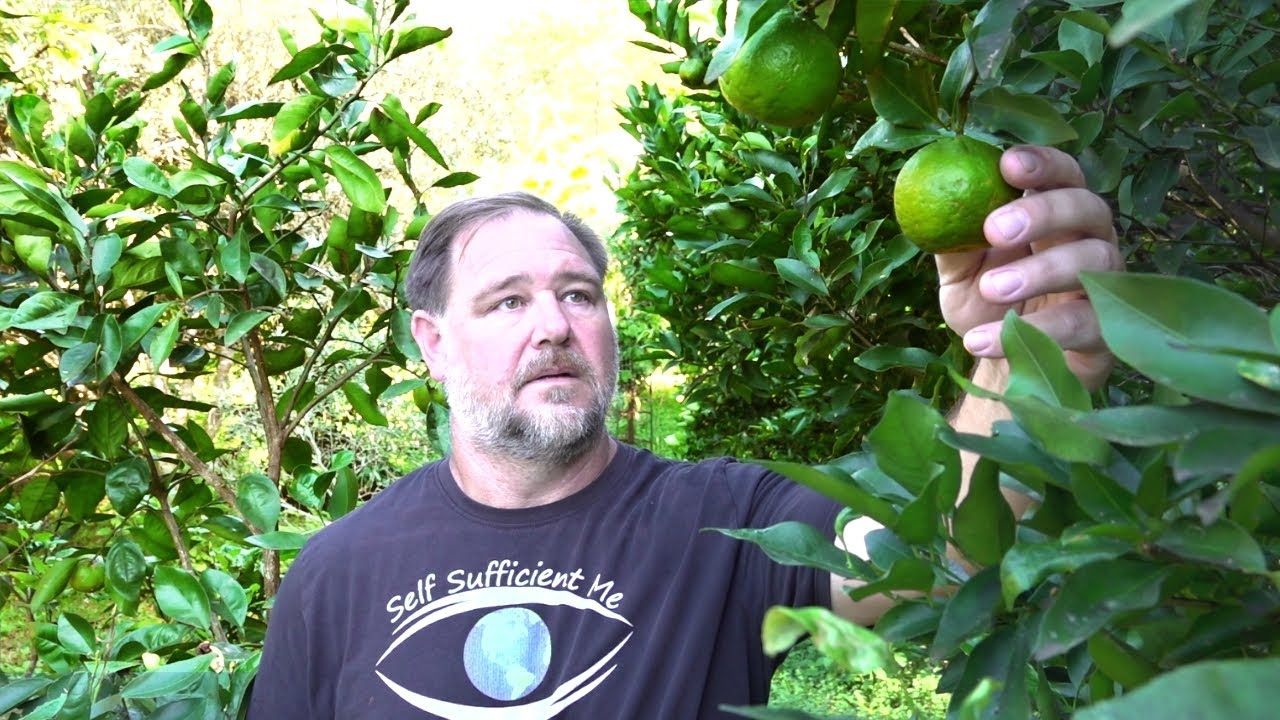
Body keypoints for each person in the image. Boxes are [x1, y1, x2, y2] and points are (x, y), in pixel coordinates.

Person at [247, 144, 1122, 719]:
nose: (553, 324)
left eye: (579, 294)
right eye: (508, 300)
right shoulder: (335, 575)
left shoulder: (722, 519)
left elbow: (941, 554)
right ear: (433, 342)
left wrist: (1023, 355)